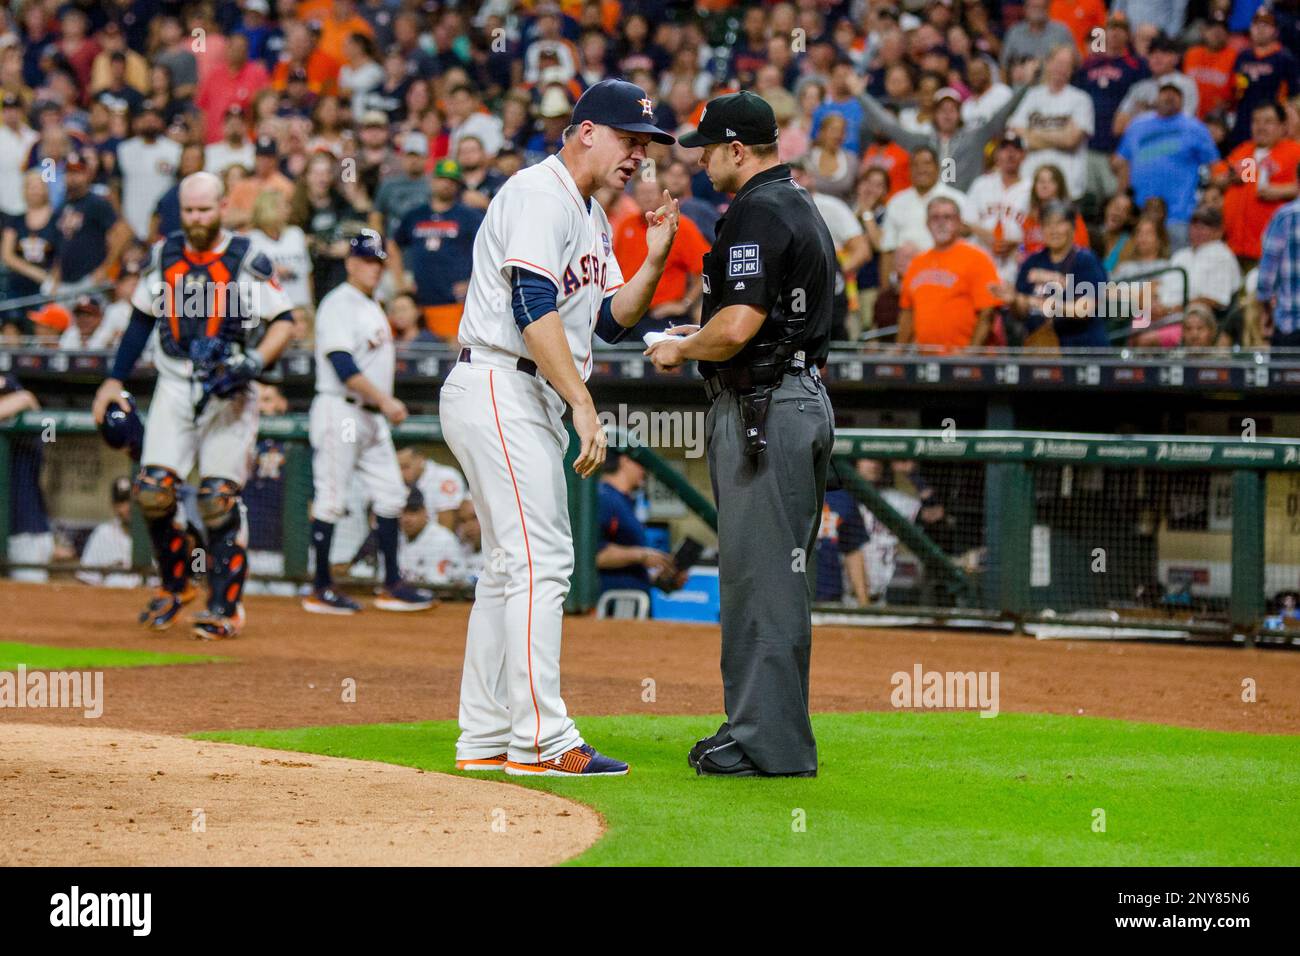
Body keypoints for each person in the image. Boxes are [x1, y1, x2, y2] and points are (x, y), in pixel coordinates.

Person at [440, 79, 678, 778]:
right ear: (584, 133)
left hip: (513, 389)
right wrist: (581, 401)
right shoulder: (540, 194)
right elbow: (530, 302)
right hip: (500, 381)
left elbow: (607, 319)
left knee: (510, 569)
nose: (639, 154)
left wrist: (656, 261)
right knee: (544, 562)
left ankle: (484, 732)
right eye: (630, 139)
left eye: (646, 143)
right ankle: (542, 740)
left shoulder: (591, 215)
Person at [645, 91, 836, 779]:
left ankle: (768, 746)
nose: (696, 160)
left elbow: (737, 327)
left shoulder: (757, 209)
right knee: (764, 576)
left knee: (763, 580)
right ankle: (754, 728)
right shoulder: (794, 202)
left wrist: (680, 347)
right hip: (788, 398)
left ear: (736, 148)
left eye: (705, 147)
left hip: (767, 407)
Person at [91, 171, 297, 640]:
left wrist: (250, 365)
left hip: (230, 391)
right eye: (189, 210)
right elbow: (142, 320)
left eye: (205, 209)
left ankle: (226, 607)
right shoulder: (164, 254)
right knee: (152, 490)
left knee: (217, 499)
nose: (197, 218)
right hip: (175, 382)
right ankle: (176, 585)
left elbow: (286, 322)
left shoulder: (247, 258)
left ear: (223, 207)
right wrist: (112, 380)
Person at [303, 228, 433, 615]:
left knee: (392, 495)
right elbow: (342, 365)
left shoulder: (373, 305)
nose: (373, 268)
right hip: (340, 410)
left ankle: (391, 583)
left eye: (378, 262)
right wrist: (386, 400)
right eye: (366, 261)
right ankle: (320, 587)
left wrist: (381, 405)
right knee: (331, 498)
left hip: (369, 418)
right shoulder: (338, 303)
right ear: (350, 263)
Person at [1114, 80, 1219, 250]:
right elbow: (1123, 162)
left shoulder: (1195, 128)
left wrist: (1211, 193)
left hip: (1178, 215)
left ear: (1183, 100)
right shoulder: (1137, 125)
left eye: (1175, 94)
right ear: (1157, 97)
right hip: (1139, 214)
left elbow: (1214, 165)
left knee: (1175, 266)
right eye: (1165, 92)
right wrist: (1121, 195)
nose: (1169, 97)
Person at [388, 159, 483, 342]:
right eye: (442, 178)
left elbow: (487, 251)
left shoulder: (469, 216)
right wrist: (399, 281)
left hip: (452, 303)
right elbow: (393, 245)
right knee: (413, 356)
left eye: (452, 180)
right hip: (418, 304)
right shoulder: (415, 214)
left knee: (451, 356)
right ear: (432, 180)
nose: (446, 183)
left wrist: (473, 281)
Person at [898, 196, 1004, 350]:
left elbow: (987, 314)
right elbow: (907, 313)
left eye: (948, 217)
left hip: (965, 362)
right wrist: (899, 351)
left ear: (959, 223)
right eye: (935, 217)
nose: (941, 222)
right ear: (927, 224)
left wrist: (970, 355)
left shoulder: (978, 258)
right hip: (926, 361)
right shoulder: (917, 263)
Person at [611, 174, 711, 334]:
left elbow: (705, 267)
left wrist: (685, 303)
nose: (646, 198)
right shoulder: (626, 226)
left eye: (651, 192)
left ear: (662, 195)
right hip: (629, 314)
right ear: (634, 196)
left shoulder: (679, 226)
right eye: (641, 193)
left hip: (664, 316)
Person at [1010, 200, 1111, 347]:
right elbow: (1020, 312)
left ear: (1072, 227)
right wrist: (1013, 300)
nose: (1053, 230)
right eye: (1048, 224)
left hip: (1082, 349)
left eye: (1059, 223)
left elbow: (1084, 309)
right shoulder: (1032, 262)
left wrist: (1037, 303)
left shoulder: (1086, 261)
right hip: (1042, 349)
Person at [878, 146, 974, 291]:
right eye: (915, 165)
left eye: (926, 163)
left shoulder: (957, 199)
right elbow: (887, 249)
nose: (921, 169)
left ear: (937, 167)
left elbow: (969, 244)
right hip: (904, 284)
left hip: (947, 282)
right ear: (909, 170)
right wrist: (885, 291)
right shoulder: (896, 201)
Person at [1216, 101, 1300, 264]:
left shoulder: (1294, 151)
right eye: (1256, 121)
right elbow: (1218, 179)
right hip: (1233, 247)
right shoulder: (1244, 151)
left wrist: (1282, 190)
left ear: (1282, 126)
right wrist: (1229, 179)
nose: (1261, 127)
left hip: (1272, 249)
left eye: (1268, 121)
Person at [1008, 44, 1095, 200]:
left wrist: (1032, 135)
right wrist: (1059, 136)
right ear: (1047, 64)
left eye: (1066, 65)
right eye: (1057, 63)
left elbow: (1071, 140)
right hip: (1029, 182)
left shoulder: (1081, 99)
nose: (1060, 69)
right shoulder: (1032, 95)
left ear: (1072, 71)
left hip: (1068, 185)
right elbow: (1015, 132)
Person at [595, 449, 681, 596]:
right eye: (641, 463)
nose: (645, 470)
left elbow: (629, 570)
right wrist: (642, 555)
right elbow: (593, 555)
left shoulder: (626, 502)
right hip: (611, 609)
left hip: (632, 606)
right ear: (625, 460)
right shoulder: (603, 497)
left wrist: (662, 580)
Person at [967, 131, 1032, 286]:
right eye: (1004, 149)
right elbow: (963, 224)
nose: (1010, 154)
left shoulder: (1032, 188)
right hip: (980, 264)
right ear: (997, 155)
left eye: (1015, 149)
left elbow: (1039, 232)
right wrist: (986, 235)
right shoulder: (981, 184)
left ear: (1023, 155)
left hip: (1016, 267)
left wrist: (1016, 243)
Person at [1, 170, 59, 339]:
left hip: (48, 288)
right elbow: (7, 255)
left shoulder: (57, 219)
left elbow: (63, 253)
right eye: (30, 186)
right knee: (11, 326)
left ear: (46, 189)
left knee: (45, 328)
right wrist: (37, 274)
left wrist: (52, 280)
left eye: (38, 185)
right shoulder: (15, 221)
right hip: (18, 286)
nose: (34, 190)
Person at [77, 475, 140, 588]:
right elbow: (86, 580)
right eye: (122, 502)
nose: (128, 507)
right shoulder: (103, 534)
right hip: (110, 600)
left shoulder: (151, 534)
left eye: (131, 500)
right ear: (114, 506)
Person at [396, 486, 465, 585]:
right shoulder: (395, 537)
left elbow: (441, 587)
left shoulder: (442, 539)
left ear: (425, 511)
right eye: (402, 512)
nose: (406, 519)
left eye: (413, 511)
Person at [1257, 191, 1300, 347]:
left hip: (1290, 326)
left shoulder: (1285, 216)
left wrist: (1266, 311)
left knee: (1286, 372)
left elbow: (1266, 277)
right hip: (1289, 326)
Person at [814, 486, 869, 606]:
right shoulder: (781, 491)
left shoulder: (842, 498)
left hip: (828, 596)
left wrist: (864, 603)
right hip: (787, 596)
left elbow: (853, 551)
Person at [396, 446, 466, 530]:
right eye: (397, 469)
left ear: (420, 459)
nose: (401, 473)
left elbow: (447, 526)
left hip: (439, 541)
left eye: (405, 467)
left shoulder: (445, 476)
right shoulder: (399, 481)